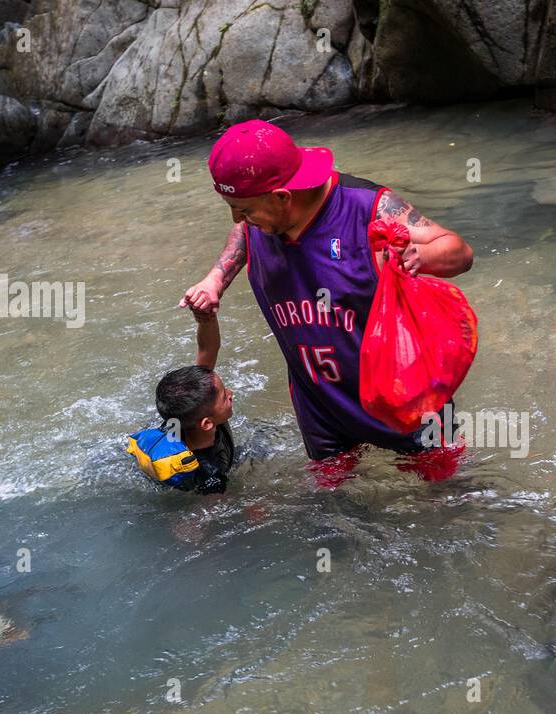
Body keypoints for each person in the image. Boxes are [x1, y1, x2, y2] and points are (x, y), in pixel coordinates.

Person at [179, 119, 474, 486]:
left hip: (400, 392)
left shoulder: (367, 208)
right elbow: (243, 231)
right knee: (336, 511)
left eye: (244, 209)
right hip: (319, 402)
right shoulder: (257, 220)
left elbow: (459, 252)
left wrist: (421, 259)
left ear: (283, 196)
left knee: (448, 493)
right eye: (232, 207)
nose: (238, 219)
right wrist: (215, 280)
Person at [127, 304, 235, 494]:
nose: (231, 393)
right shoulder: (210, 473)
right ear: (207, 423)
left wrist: (207, 318)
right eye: (225, 397)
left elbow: (208, 349)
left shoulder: (182, 415)